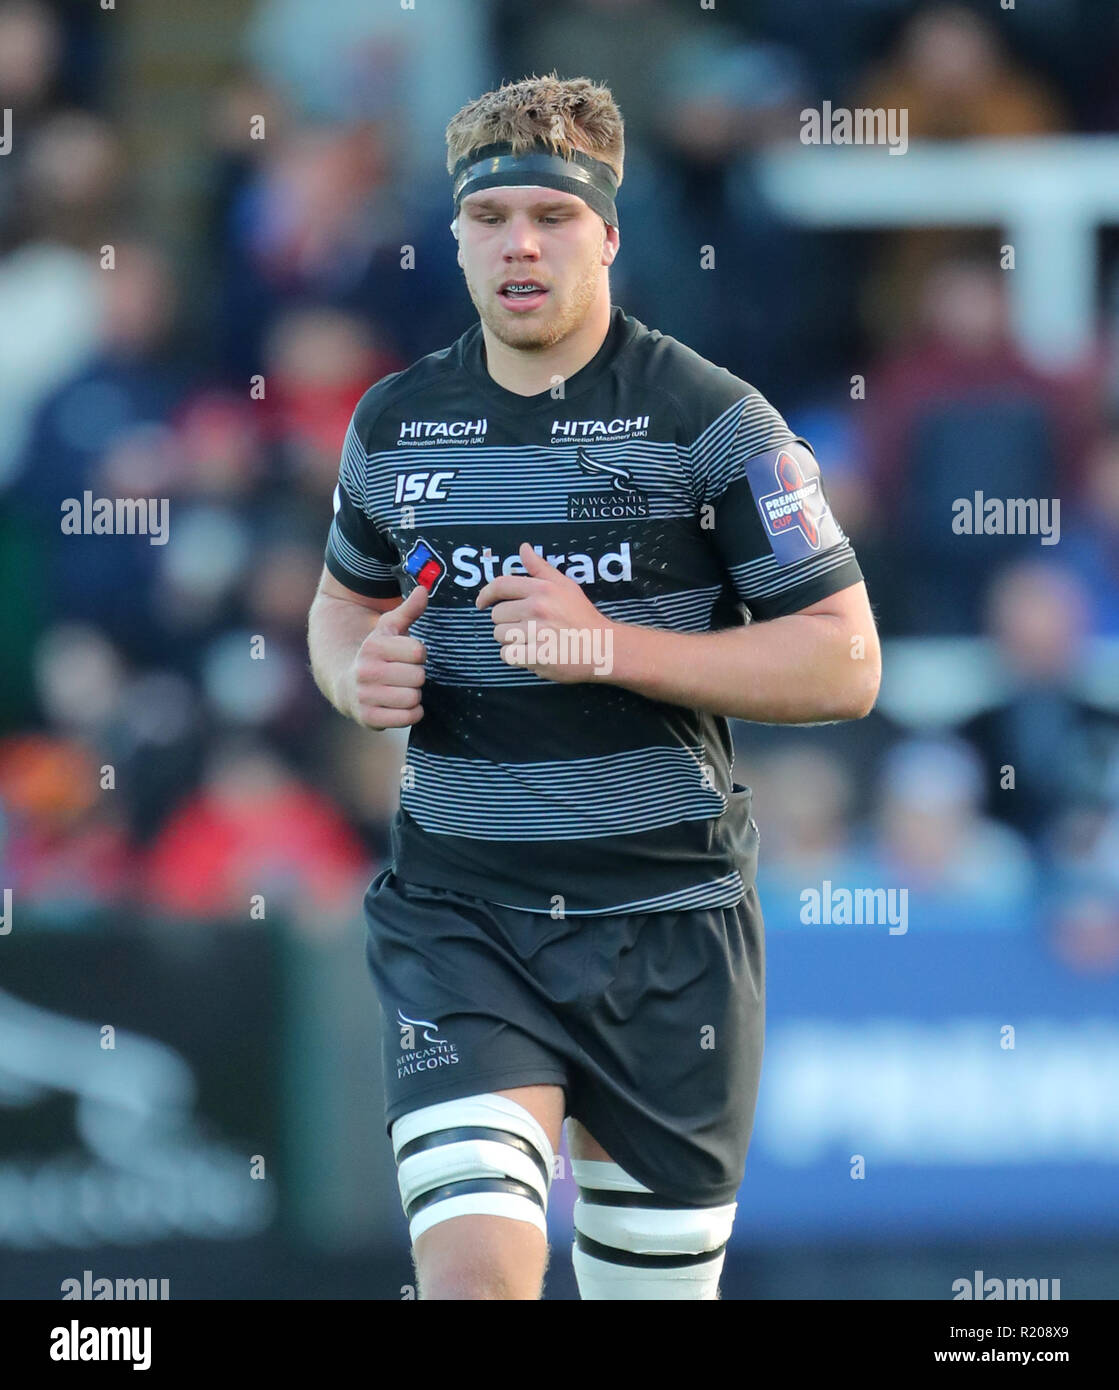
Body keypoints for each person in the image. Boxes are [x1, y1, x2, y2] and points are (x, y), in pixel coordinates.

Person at [306, 74, 880, 1300]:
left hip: (670, 923)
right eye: (492, 215)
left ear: (608, 236)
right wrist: (354, 673)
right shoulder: (396, 427)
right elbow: (343, 600)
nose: (520, 241)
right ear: (455, 238)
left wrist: (609, 642)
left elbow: (846, 659)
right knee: (475, 1280)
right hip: (462, 916)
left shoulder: (716, 422)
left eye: (553, 217)